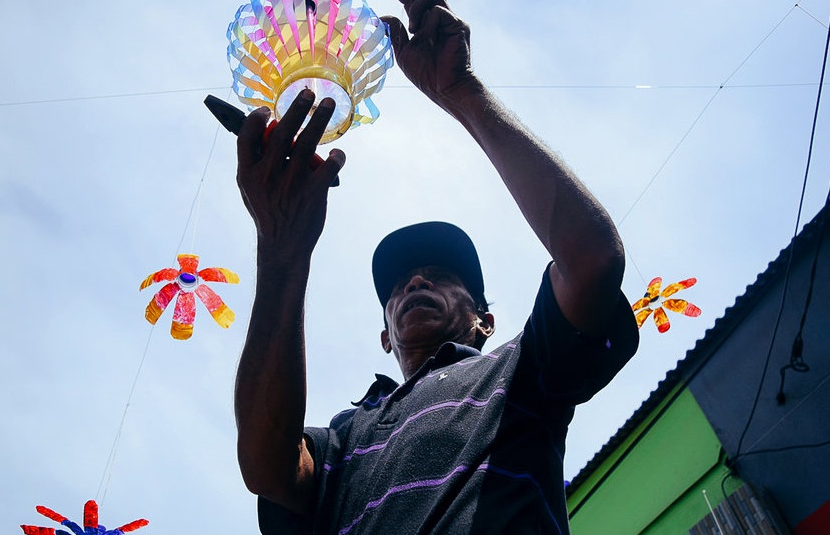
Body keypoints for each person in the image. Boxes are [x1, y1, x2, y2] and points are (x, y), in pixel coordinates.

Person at [231, 1, 639, 533]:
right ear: (385, 337)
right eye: (399, 286)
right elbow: (267, 468)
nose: (416, 282)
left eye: (441, 276)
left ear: (485, 322)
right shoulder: (346, 435)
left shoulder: (523, 369)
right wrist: (281, 250)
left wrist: (462, 92)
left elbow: (593, 260)